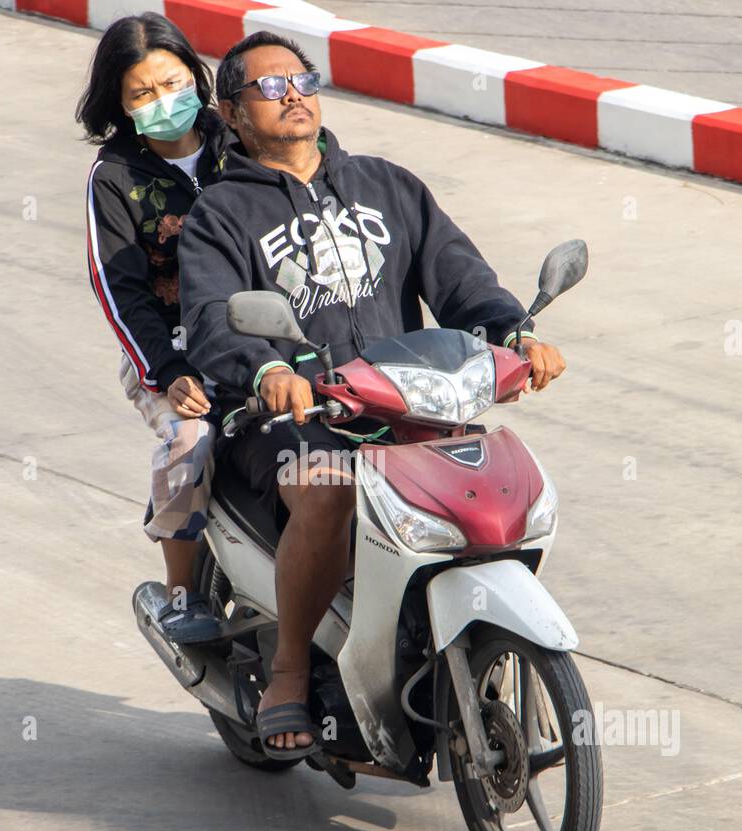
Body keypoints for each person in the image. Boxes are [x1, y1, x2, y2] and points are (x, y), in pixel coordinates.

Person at [178, 31, 566, 756]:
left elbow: (461, 280)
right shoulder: (222, 214)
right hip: (287, 419)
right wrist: (269, 373)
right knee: (326, 489)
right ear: (232, 113)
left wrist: (514, 335)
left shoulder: (388, 186)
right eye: (269, 87)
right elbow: (209, 316)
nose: (292, 95)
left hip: (407, 406)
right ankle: (291, 673)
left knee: (491, 481)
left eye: (302, 80)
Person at [78, 12, 232, 643]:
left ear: (196, 76)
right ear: (119, 103)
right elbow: (120, 291)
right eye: (143, 93)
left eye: (172, 82)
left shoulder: (242, 140)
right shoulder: (114, 178)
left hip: (270, 339)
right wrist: (168, 375)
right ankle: (182, 591)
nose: (164, 101)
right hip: (170, 351)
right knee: (190, 441)